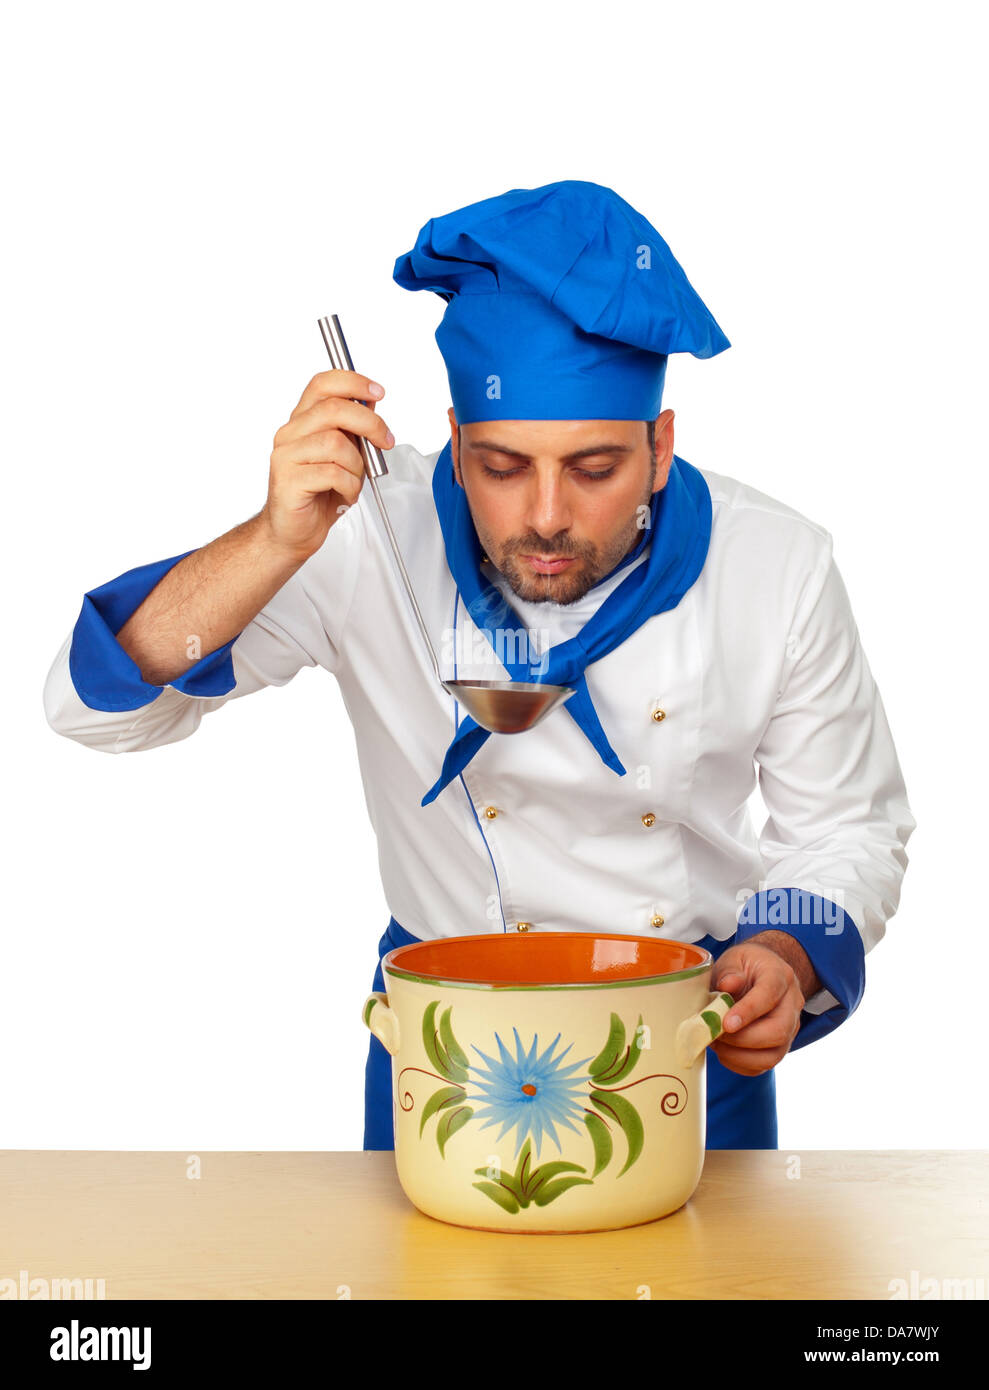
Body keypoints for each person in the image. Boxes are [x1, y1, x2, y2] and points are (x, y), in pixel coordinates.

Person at [42, 180, 916, 1151]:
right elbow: (94, 709)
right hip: (447, 1045)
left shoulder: (773, 564)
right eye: (502, 466)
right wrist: (271, 539)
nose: (544, 515)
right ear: (455, 444)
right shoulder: (365, 531)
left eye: (592, 469)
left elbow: (844, 823)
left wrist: (784, 956)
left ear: (659, 447)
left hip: (685, 1034)